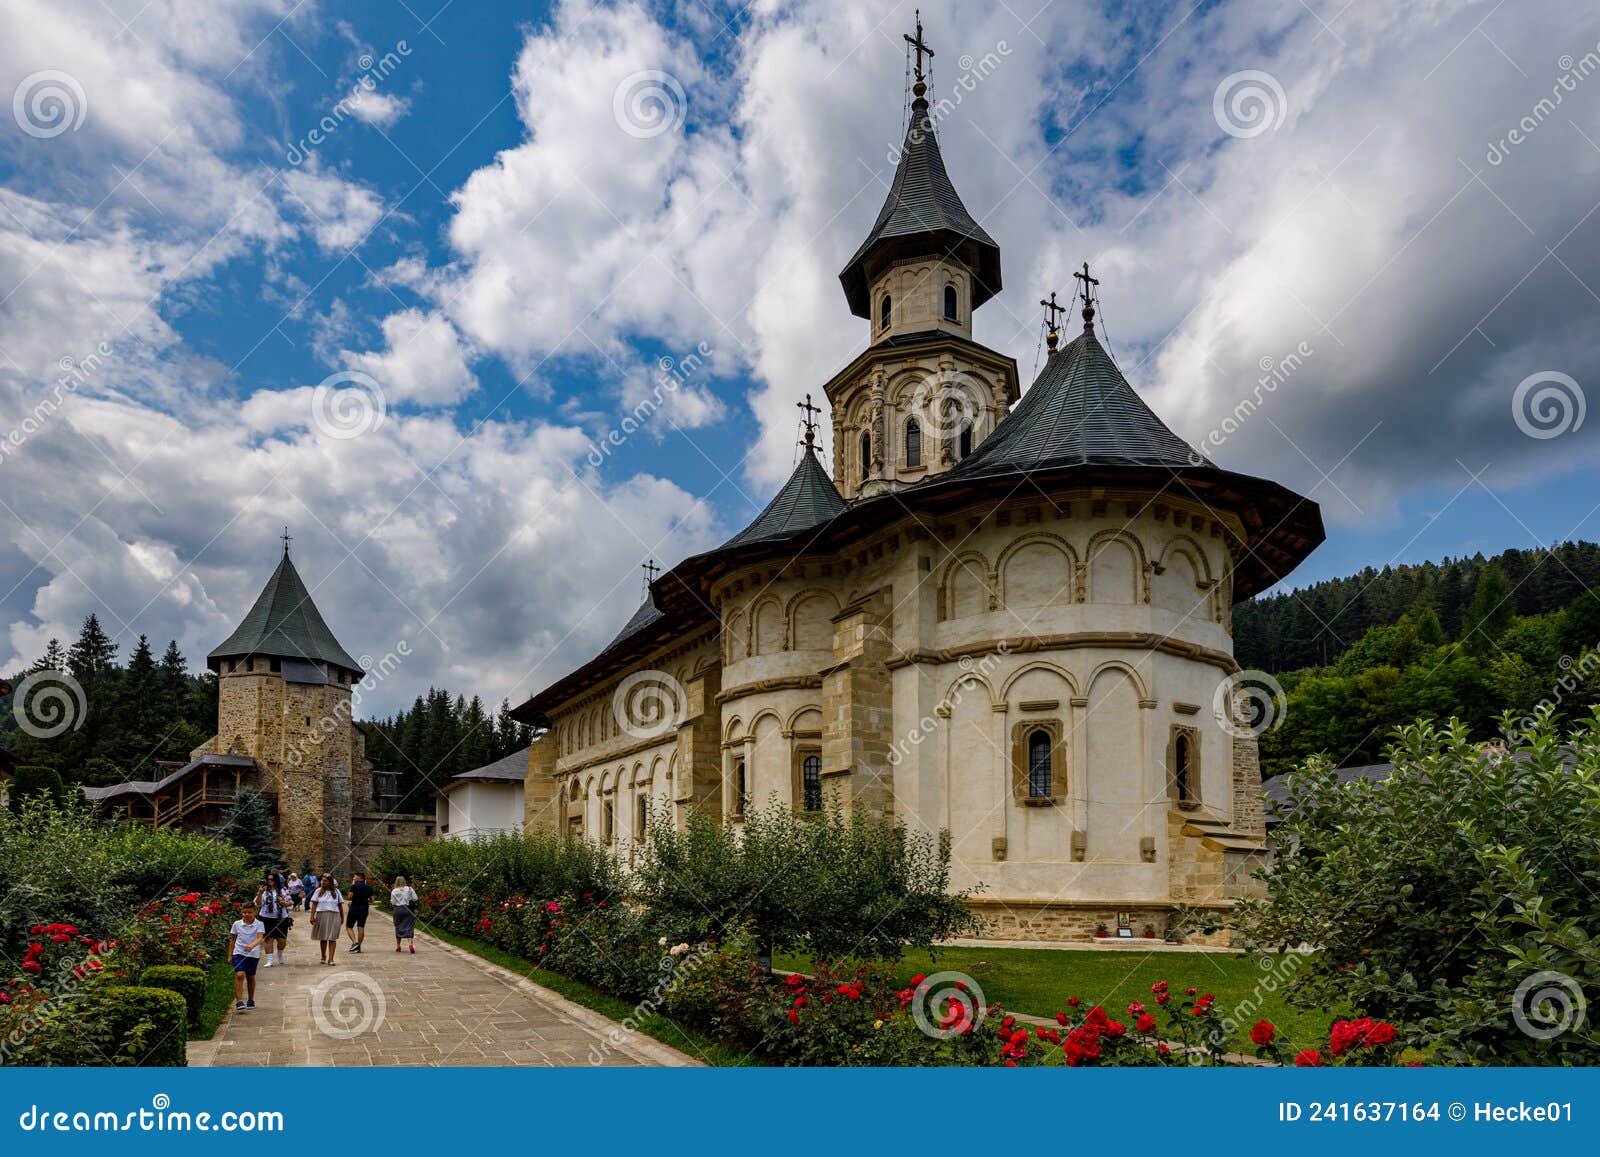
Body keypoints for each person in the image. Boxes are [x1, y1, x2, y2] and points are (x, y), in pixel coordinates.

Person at [228, 901, 266, 1012]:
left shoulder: (259, 924)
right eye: (244, 912)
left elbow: (260, 938)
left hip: (253, 954)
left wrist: (252, 945)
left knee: (250, 976)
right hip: (239, 952)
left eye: (249, 912)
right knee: (239, 975)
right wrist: (230, 955)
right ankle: (239, 1001)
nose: (246, 914)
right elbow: (232, 940)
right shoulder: (237, 924)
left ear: (255, 912)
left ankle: (250, 999)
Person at [255, 871, 292, 967]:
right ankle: (269, 961)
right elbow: (258, 904)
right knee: (269, 939)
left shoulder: (283, 890)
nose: (270, 881)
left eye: (272, 879)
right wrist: (259, 893)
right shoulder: (264, 891)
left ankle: (280, 954)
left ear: (276, 880)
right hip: (266, 918)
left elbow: (290, 902)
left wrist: (284, 903)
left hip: (281, 918)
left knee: (282, 940)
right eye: (268, 879)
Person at [309, 874, 345, 965]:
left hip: (334, 915)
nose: (323, 882)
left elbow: (340, 905)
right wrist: (312, 916)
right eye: (322, 880)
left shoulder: (336, 891)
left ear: (330, 882)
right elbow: (314, 904)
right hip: (322, 915)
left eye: (325, 881)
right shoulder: (318, 891)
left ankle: (331, 959)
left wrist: (342, 917)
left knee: (332, 937)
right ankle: (323, 956)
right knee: (323, 937)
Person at [345, 871, 374, 953]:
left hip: (354, 908)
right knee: (361, 927)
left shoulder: (354, 886)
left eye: (354, 877)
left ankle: (354, 943)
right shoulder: (369, 887)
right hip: (364, 909)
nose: (353, 878)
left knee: (349, 927)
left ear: (359, 877)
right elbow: (372, 900)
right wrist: (365, 900)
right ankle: (359, 946)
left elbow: (349, 897)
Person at [390, 876, 418, 954]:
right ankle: (410, 944)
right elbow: (415, 898)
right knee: (409, 926)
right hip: (408, 909)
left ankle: (398, 946)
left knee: (398, 926)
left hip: (398, 910)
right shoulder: (409, 889)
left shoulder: (394, 891)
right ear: (404, 881)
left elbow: (393, 902)